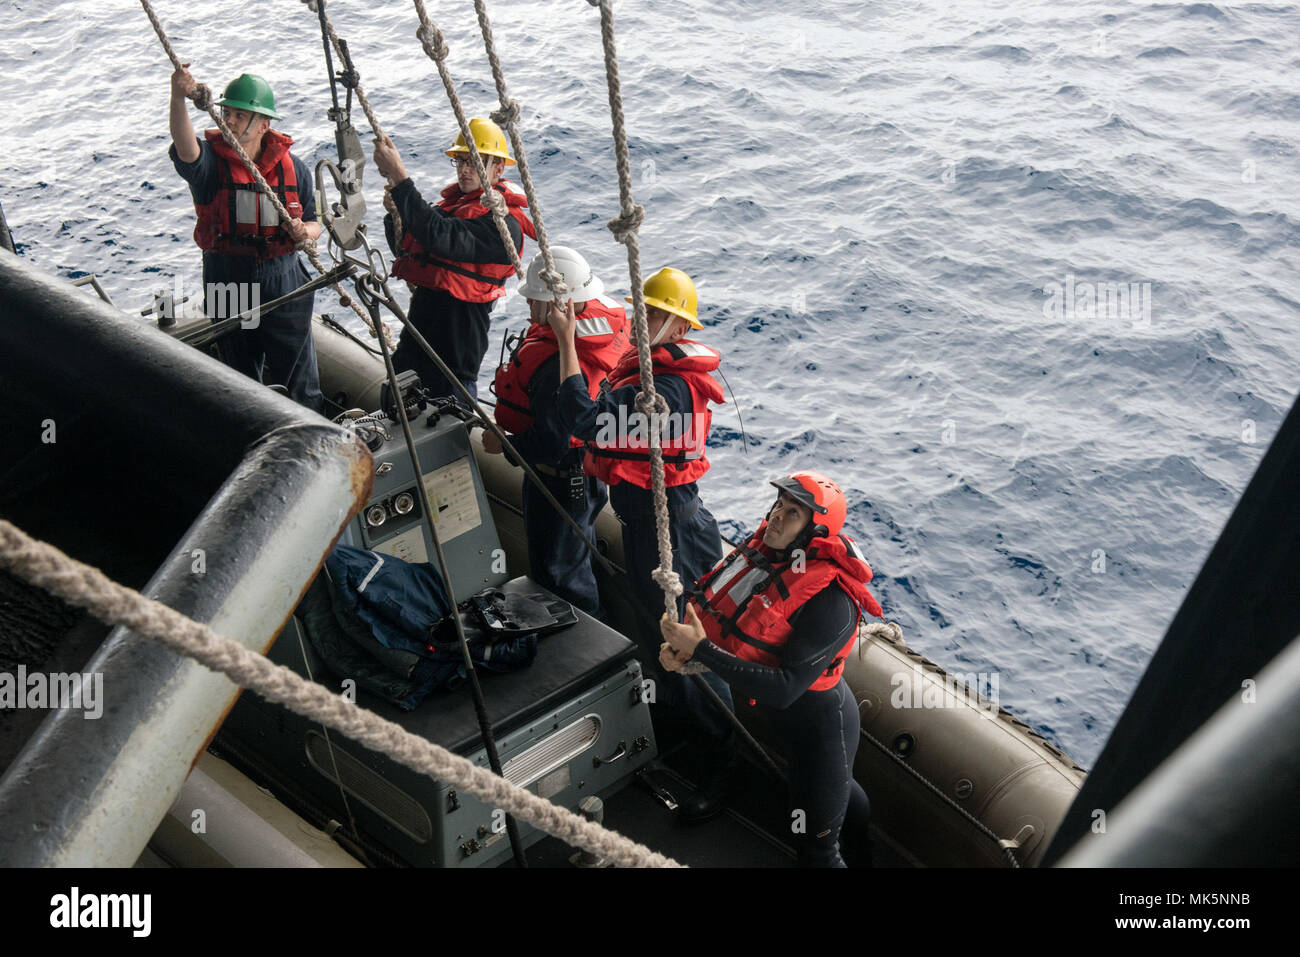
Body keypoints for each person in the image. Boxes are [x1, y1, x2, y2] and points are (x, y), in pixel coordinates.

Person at [549, 266, 735, 770]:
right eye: (640, 309)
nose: (638, 319)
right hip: (650, 528)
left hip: (672, 532)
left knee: (689, 647)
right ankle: (681, 723)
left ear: (678, 329)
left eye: (652, 313)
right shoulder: (652, 374)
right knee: (663, 636)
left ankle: (722, 761)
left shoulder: (666, 394)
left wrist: (566, 340)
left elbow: (583, 419)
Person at [659, 471, 883, 866]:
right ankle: (866, 856)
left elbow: (785, 688)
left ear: (814, 531)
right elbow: (712, 608)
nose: (778, 516)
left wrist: (701, 652)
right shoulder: (766, 558)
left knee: (817, 850)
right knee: (840, 794)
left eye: (793, 512)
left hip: (820, 727)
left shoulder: (832, 602)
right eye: (779, 504)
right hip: (788, 727)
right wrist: (683, 654)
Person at [482, 247, 629, 616]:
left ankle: (582, 646)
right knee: (576, 560)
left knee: (559, 574)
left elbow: (552, 442)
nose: (529, 300)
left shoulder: (552, 366)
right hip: (586, 475)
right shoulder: (589, 339)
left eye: (536, 296)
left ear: (558, 304)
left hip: (560, 483)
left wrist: (505, 445)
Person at [168, 68, 325, 412]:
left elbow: (315, 224)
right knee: (238, 377)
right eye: (227, 112)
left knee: (301, 379)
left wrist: (305, 232)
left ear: (264, 124)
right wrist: (178, 96)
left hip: (285, 278)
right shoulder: (211, 162)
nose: (231, 120)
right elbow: (185, 148)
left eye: (240, 114)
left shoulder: (293, 168)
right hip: (229, 276)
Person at [372, 118, 536, 400]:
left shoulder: (503, 227)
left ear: (498, 168)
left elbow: (439, 235)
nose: (464, 169)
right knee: (395, 397)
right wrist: (396, 215)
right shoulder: (452, 208)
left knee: (447, 414)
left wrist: (400, 177)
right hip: (420, 330)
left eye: (473, 161)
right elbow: (407, 249)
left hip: (456, 347)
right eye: (459, 161)